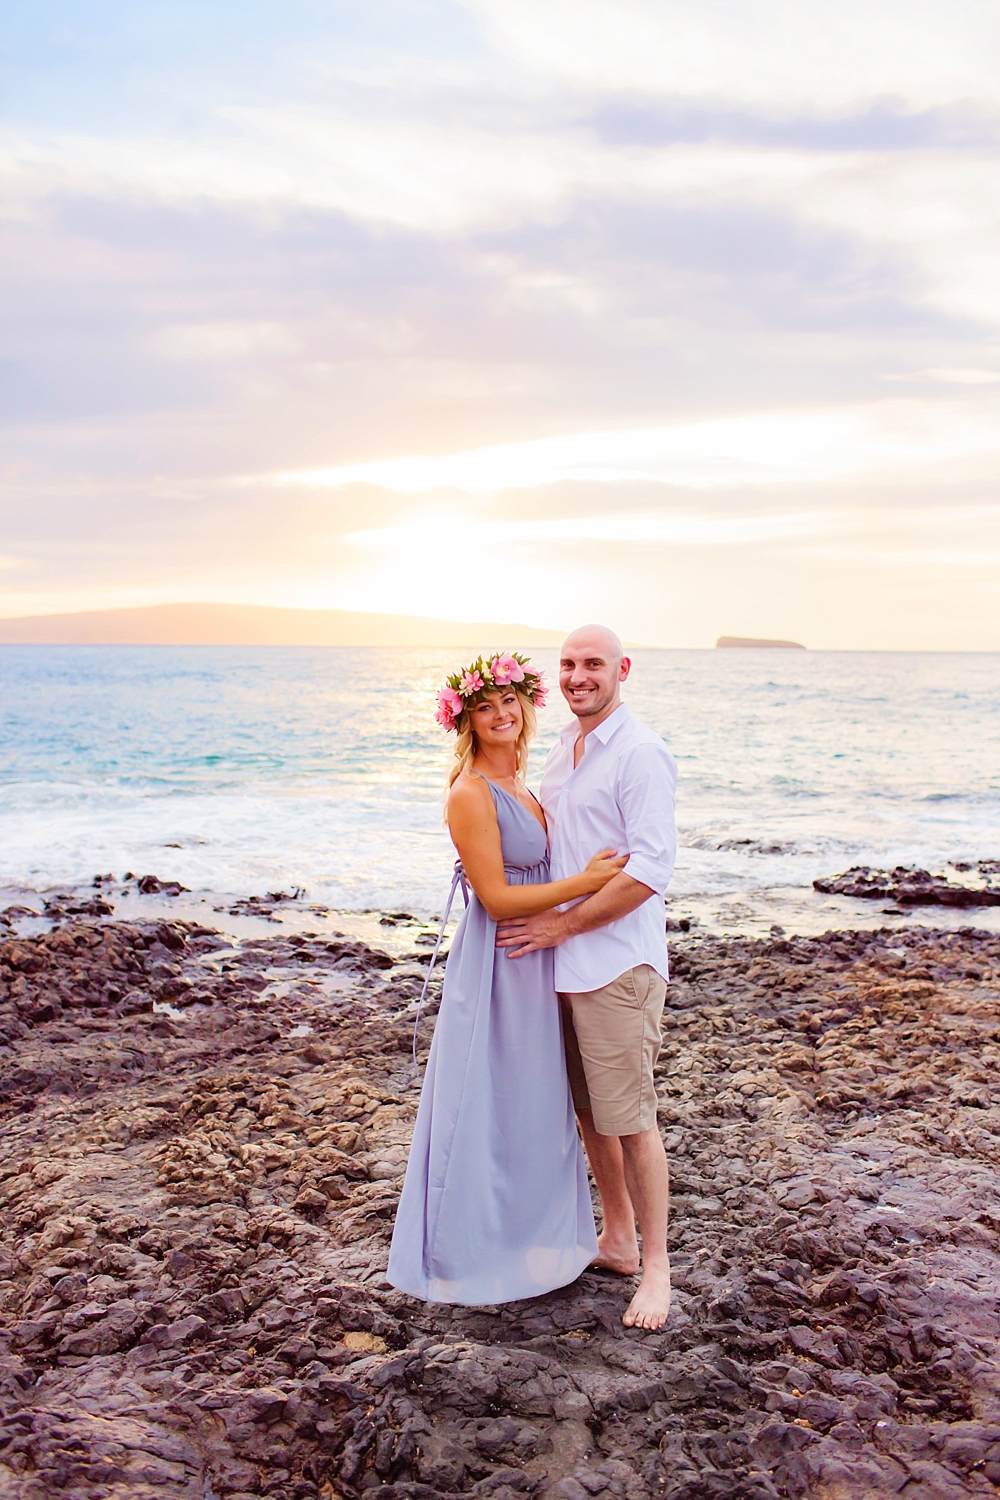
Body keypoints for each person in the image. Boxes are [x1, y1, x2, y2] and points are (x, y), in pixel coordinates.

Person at [387, 651, 627, 1305]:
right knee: (488, 1100)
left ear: (525, 707)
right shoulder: (469, 792)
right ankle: (469, 1253)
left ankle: (532, 1243)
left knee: (536, 1103)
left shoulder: (526, 783)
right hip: (501, 960)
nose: (500, 715)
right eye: (485, 707)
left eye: (509, 702)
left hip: (539, 955)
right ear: (466, 720)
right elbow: (495, 899)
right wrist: (584, 885)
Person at [496, 626, 677, 1330]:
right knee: (589, 1113)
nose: (578, 676)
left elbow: (650, 870)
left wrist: (562, 926)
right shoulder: (562, 750)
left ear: (622, 669)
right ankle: (618, 1239)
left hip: (617, 965)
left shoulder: (640, 753)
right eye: (569, 665)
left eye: (593, 664)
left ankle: (657, 1270)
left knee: (631, 1119)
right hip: (563, 969)